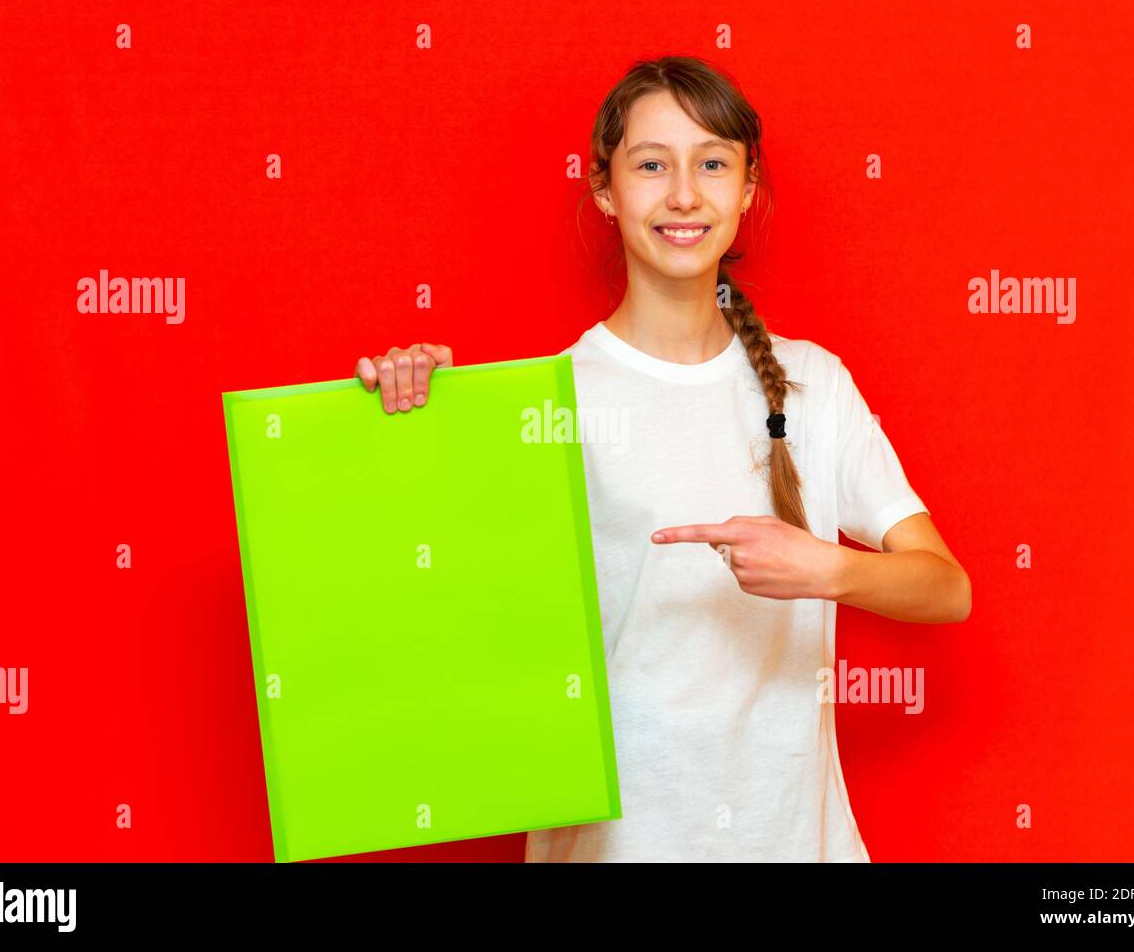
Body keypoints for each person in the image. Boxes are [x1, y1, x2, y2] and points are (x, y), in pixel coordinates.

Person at [353, 55, 971, 862]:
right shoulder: (547, 402)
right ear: (605, 190)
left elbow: (947, 588)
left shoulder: (814, 382)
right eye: (652, 165)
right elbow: (424, 611)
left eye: (713, 163)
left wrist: (824, 567)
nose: (684, 194)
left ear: (747, 190)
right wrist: (408, 424)